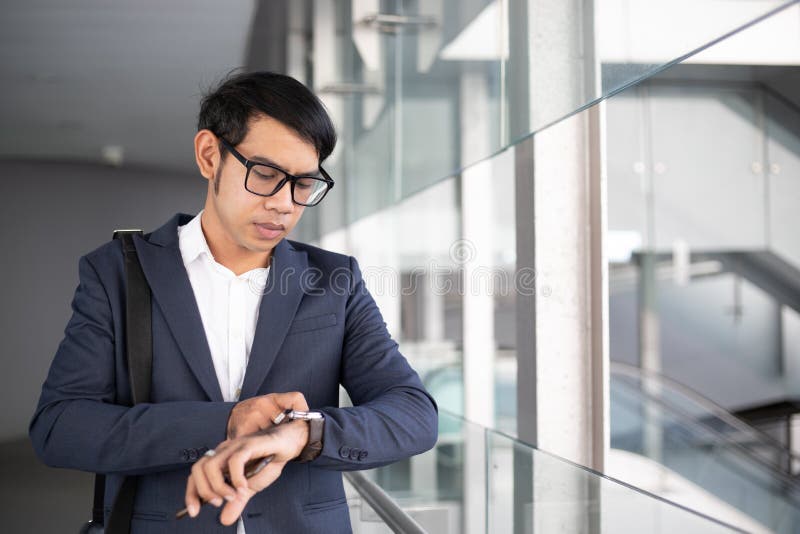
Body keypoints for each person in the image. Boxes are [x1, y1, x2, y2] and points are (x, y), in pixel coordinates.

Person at [29, 71, 438, 533]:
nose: (285, 204)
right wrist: (225, 423)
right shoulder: (118, 272)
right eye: (265, 174)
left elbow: (414, 414)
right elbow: (60, 427)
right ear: (210, 155)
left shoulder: (335, 280)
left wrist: (302, 433)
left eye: (304, 183)